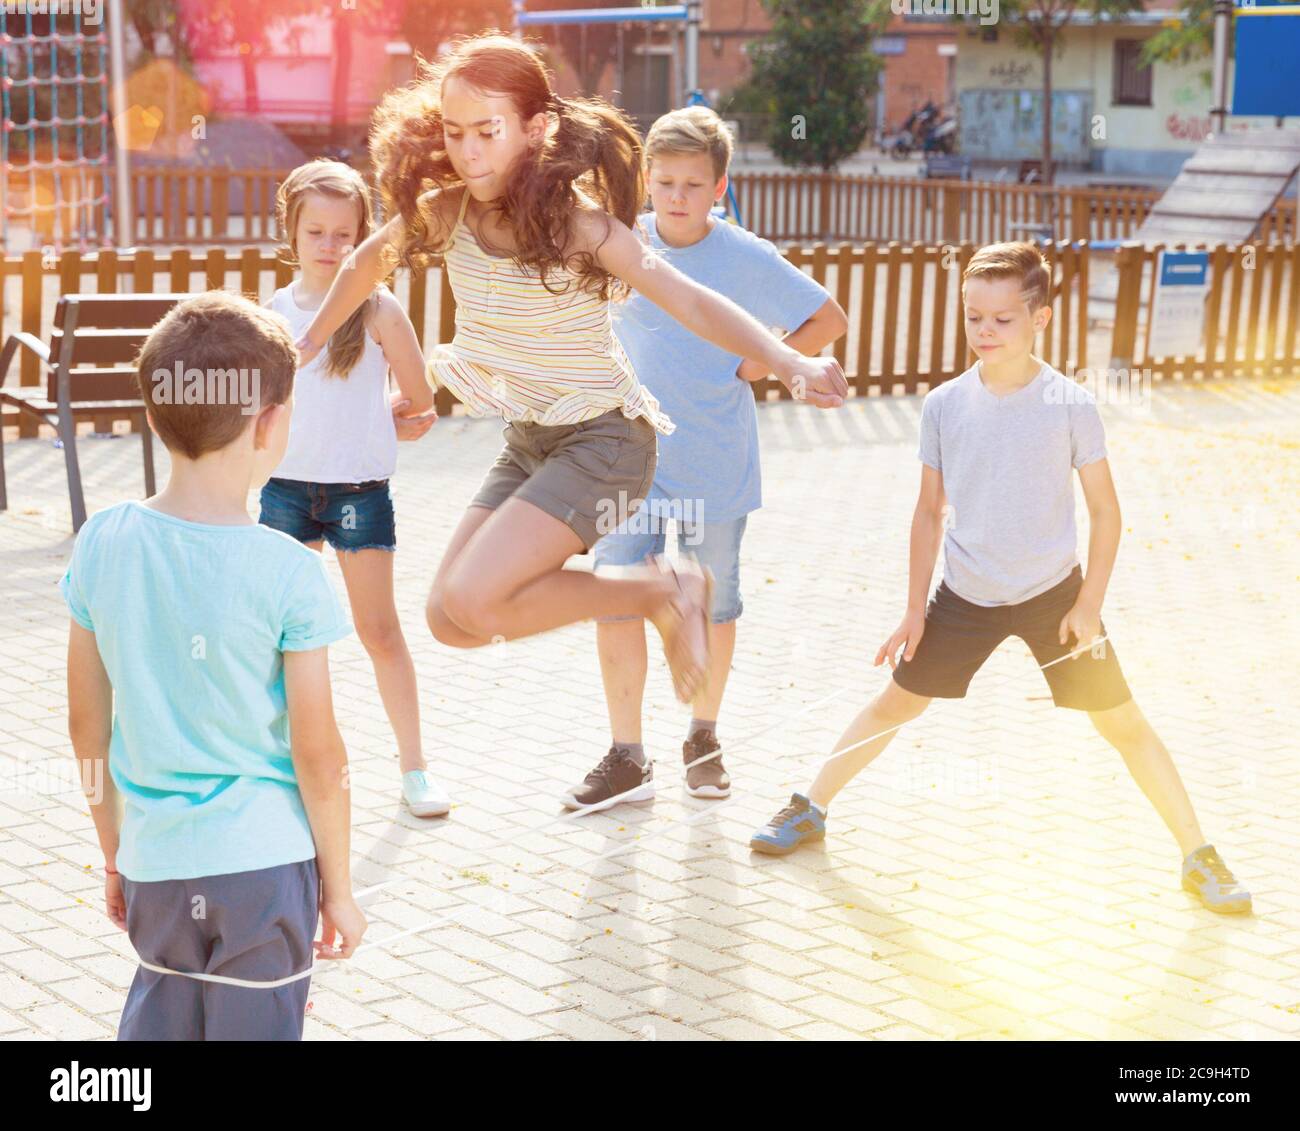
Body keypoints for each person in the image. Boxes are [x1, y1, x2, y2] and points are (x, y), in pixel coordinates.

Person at [294, 33, 848, 710]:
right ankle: (645, 592)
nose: (468, 151)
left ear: (536, 128)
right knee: (450, 617)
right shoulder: (447, 213)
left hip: (605, 439)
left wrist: (790, 360)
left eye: (487, 132)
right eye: (455, 131)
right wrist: (306, 343)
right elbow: (363, 266)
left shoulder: (580, 229)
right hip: (532, 439)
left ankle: (664, 589)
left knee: (476, 594)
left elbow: (691, 300)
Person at [749, 242, 1252, 915]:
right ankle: (809, 808)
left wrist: (1091, 604)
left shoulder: (1070, 404)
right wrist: (913, 611)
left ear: (1040, 318)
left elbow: (1106, 512)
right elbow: (928, 512)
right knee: (895, 703)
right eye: (974, 317)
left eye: (1003, 319)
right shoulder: (944, 406)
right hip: (966, 596)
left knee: (1125, 723)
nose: (986, 331)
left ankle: (1198, 855)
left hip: (1057, 600)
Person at [63, 292, 367, 1040]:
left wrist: (115, 856)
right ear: (270, 424)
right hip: (265, 867)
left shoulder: (102, 542)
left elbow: (85, 727)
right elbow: (318, 755)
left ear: (155, 413)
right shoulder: (290, 570)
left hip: (156, 863)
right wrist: (340, 886)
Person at [565, 105, 848, 812]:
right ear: (647, 183)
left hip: (715, 463)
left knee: (715, 608)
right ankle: (628, 757)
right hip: (623, 465)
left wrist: (759, 364)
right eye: (664, 182)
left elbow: (829, 317)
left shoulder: (744, 255)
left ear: (720, 187)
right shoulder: (621, 243)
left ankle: (703, 739)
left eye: (693, 184)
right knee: (614, 602)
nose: (678, 197)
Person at [260, 158, 449, 817]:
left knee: (379, 631)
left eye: (345, 235)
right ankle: (285, 763)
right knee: (288, 635)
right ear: (292, 232)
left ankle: (415, 767)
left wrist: (395, 409)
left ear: (363, 238)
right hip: (283, 494)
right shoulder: (274, 315)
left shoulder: (378, 310)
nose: (331, 246)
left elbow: (423, 399)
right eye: (316, 231)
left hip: (359, 496)